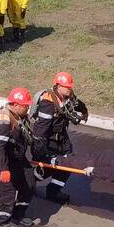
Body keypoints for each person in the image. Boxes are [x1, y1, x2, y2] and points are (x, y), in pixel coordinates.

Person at [30, 72, 89, 203]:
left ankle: (53, 191)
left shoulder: (68, 96)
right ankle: (29, 181)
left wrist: (85, 113)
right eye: (66, 87)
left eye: (70, 86)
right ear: (58, 86)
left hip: (62, 139)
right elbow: (40, 131)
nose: (69, 89)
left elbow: (78, 103)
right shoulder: (48, 102)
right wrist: (39, 152)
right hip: (49, 142)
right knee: (47, 167)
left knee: (68, 164)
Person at [0, 88, 37, 227]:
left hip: (18, 158)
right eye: (26, 105)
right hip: (3, 161)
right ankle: (3, 219)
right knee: (7, 191)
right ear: (16, 105)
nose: (28, 108)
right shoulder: (3, 120)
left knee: (30, 184)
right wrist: (4, 169)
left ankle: (18, 215)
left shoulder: (20, 116)